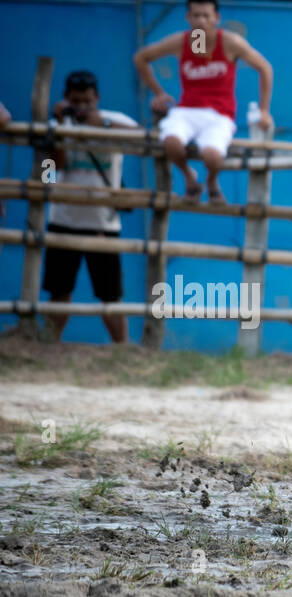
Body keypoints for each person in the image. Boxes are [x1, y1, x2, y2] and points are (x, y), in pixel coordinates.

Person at [132, 0, 273, 203]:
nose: (201, 20)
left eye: (206, 16)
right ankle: (190, 178)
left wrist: (264, 110)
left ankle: (212, 181)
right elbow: (141, 58)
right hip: (187, 110)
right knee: (170, 142)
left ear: (217, 18)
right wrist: (159, 93)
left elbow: (265, 68)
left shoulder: (229, 42)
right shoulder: (186, 41)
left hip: (219, 113)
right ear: (188, 18)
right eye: (196, 15)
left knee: (213, 156)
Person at [41, 70, 138, 343]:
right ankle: (49, 345)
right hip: (63, 219)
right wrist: (59, 128)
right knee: (59, 292)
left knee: (110, 295)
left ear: (97, 98)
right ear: (66, 99)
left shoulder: (114, 120)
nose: (82, 107)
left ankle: (123, 351)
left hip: (102, 221)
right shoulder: (57, 124)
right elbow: (49, 173)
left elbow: (144, 136)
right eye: (76, 102)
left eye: (87, 101)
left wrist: (100, 123)